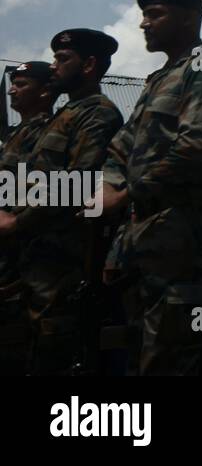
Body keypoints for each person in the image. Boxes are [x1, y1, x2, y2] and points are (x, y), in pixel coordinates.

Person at [96, 0, 202, 375]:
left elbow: (193, 150)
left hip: (185, 243)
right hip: (143, 242)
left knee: (174, 357)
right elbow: (121, 149)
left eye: (155, 14)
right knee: (139, 354)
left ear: (190, 18)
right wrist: (110, 192)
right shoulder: (159, 80)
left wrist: (123, 197)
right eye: (144, 14)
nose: (144, 23)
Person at [0, 30, 123, 373]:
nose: (54, 67)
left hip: (63, 257)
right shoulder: (65, 114)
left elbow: (79, 182)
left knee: (55, 348)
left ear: (89, 65)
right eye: (54, 59)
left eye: (63, 60)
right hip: (35, 256)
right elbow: (31, 183)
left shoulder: (98, 113)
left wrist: (16, 222)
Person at [0, 61, 57, 373]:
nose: (12, 89)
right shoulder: (15, 134)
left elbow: (47, 190)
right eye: (13, 83)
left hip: (27, 256)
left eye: (22, 84)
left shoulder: (48, 132)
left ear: (45, 90)